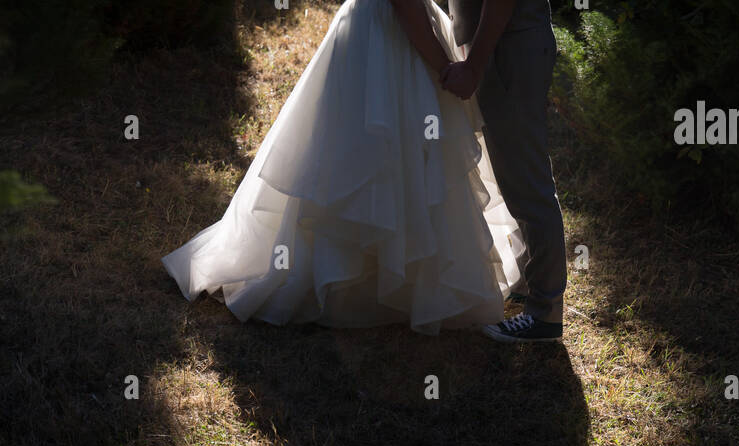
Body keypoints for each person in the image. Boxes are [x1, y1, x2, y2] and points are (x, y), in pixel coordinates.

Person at [162, 0, 524, 335]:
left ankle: (386, 276)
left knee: (380, 157)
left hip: (387, 27)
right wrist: (444, 66)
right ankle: (368, 279)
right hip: (394, 32)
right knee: (378, 155)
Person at [443, 0, 567, 342]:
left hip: (509, 49)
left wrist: (474, 66)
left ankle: (545, 314)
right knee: (517, 179)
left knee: (528, 186)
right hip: (506, 46)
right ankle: (531, 288)